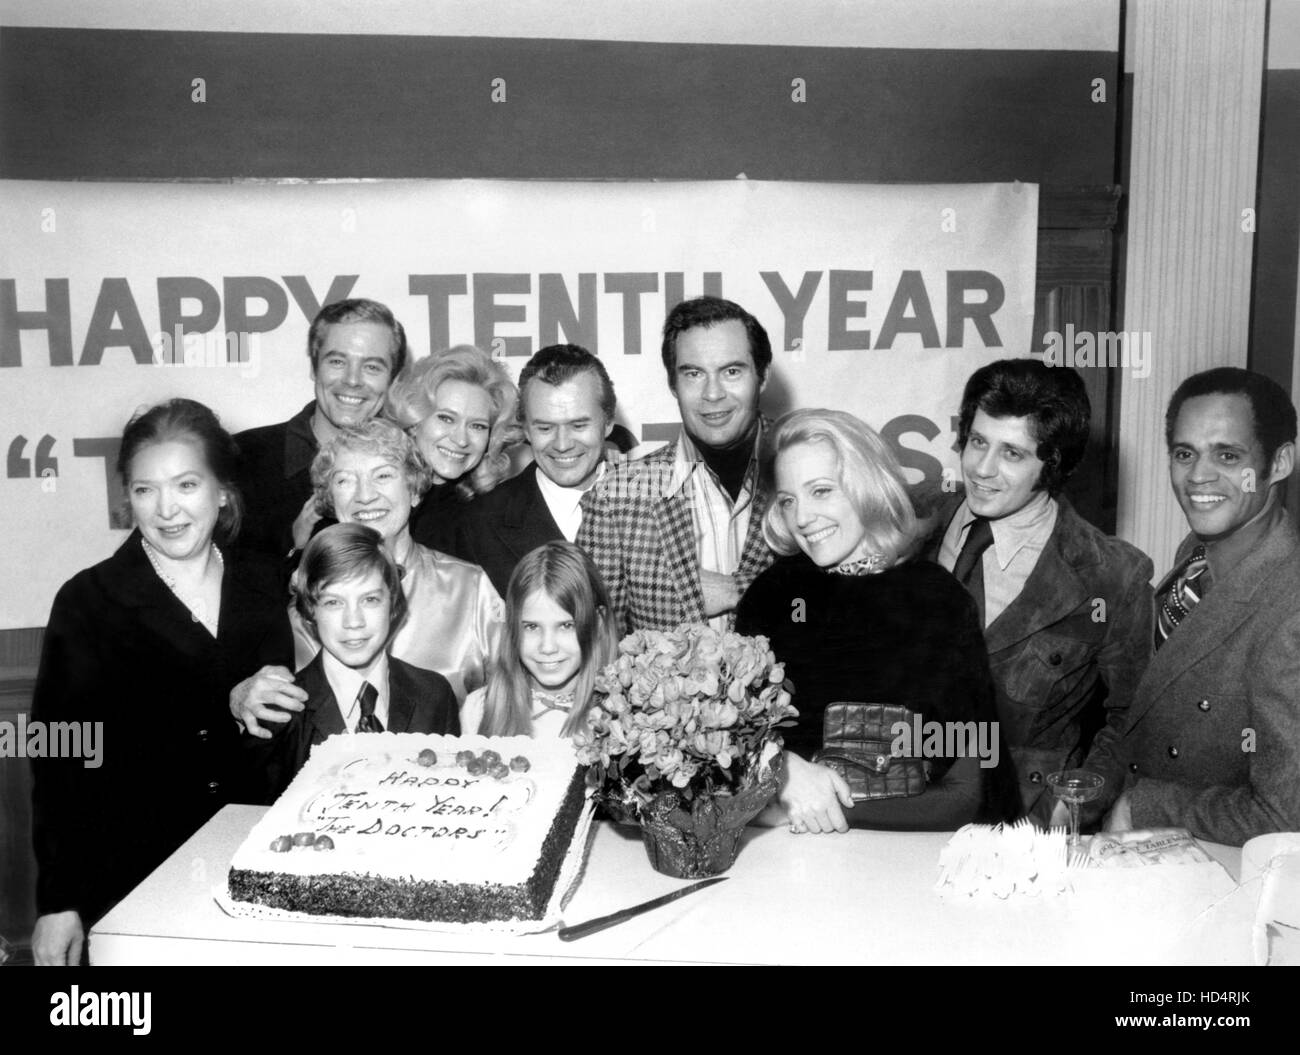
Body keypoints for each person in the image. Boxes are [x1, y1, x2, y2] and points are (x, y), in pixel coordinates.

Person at [30, 399, 293, 965]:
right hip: (131, 880)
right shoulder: (88, 601)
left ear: (223, 491)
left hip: (256, 877)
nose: (167, 509)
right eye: (146, 489)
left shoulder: (268, 583)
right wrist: (58, 901)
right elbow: (59, 761)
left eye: (187, 485)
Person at [736, 410, 1017, 833]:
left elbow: (967, 792)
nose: (803, 518)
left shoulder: (936, 601)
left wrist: (817, 806)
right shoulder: (770, 596)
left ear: (865, 486)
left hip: (902, 860)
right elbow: (725, 756)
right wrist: (781, 768)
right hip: (784, 859)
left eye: (821, 491)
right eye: (789, 500)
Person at [919, 359, 1153, 824]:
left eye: (1012, 454)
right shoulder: (906, 524)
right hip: (899, 812)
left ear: (1054, 463)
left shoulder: (1112, 576)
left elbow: (1131, 719)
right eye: (977, 442)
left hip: (1023, 825)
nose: (982, 470)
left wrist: (1077, 803)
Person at [1100, 368, 1300, 846]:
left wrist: (1142, 805)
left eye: (1228, 455)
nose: (1198, 477)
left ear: (1280, 462)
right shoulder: (1196, 552)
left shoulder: (1289, 606)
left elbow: (1284, 817)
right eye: (1184, 454)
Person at [232, 418, 503, 737]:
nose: (365, 496)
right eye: (345, 481)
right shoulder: (300, 609)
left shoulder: (471, 589)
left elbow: (515, 700)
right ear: (330, 500)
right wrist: (242, 698)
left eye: (383, 476)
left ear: (415, 490)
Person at [578, 296, 776, 635]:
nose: (713, 393)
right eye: (694, 374)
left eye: (731, 371)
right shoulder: (617, 497)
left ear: (763, 376)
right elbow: (597, 647)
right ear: (673, 384)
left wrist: (738, 591)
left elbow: (825, 613)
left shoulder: (811, 471)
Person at [248, 524, 459, 800]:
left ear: (393, 603)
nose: (354, 622)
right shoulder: (281, 711)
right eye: (334, 603)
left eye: (370, 599)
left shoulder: (434, 695)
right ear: (311, 609)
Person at [233, 297, 407, 561]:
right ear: (315, 367)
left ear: (392, 379)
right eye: (337, 362)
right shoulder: (243, 460)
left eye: (372, 367)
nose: (352, 380)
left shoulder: (411, 468)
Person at [447, 344, 620, 597]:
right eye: (545, 428)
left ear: (608, 423)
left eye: (578, 425)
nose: (563, 445)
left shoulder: (656, 507)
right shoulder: (478, 524)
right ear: (526, 429)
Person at [461, 541, 619, 738]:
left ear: (599, 623)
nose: (547, 647)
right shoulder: (479, 709)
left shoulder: (623, 715)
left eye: (566, 626)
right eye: (531, 627)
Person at [385, 344, 522, 552]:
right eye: (446, 419)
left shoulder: (488, 520)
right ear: (415, 421)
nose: (461, 440)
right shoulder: (376, 497)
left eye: (477, 426)